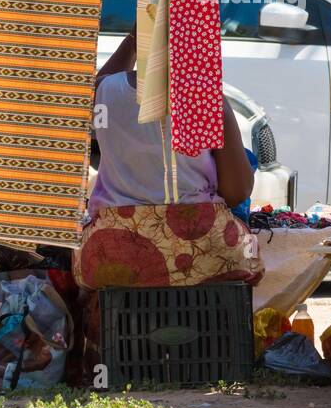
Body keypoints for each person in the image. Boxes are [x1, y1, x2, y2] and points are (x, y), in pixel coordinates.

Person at [72, 25, 262, 290]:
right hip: (204, 257)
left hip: (113, 254)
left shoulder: (104, 92)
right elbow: (237, 190)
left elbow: (102, 84)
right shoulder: (207, 97)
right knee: (248, 254)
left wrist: (134, 39)